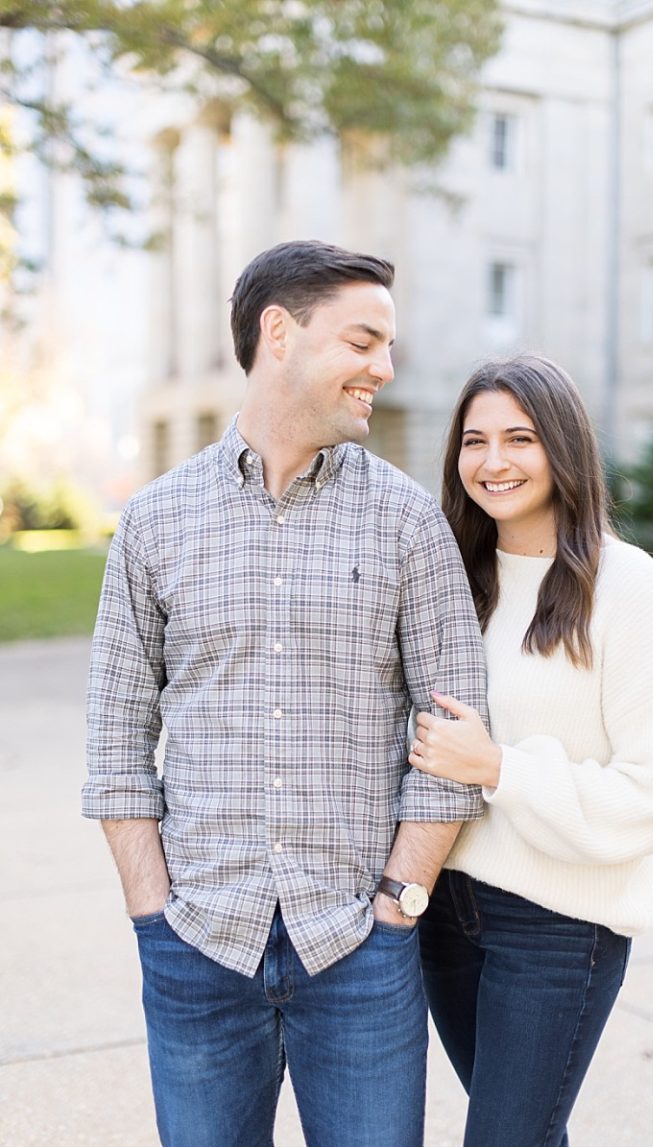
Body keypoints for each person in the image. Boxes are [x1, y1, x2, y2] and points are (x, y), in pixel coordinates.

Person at [83, 240, 487, 1146]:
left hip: (360, 951)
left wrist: (398, 908)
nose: (384, 366)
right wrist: (154, 915)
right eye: (362, 340)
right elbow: (114, 742)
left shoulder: (407, 520)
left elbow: (456, 730)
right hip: (196, 948)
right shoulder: (152, 521)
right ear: (280, 332)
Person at [407, 354, 653, 1146]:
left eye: (519, 438)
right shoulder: (453, 581)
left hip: (559, 924)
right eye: (474, 440)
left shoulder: (625, 586)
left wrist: (498, 768)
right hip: (444, 910)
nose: (493, 461)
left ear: (562, 447)